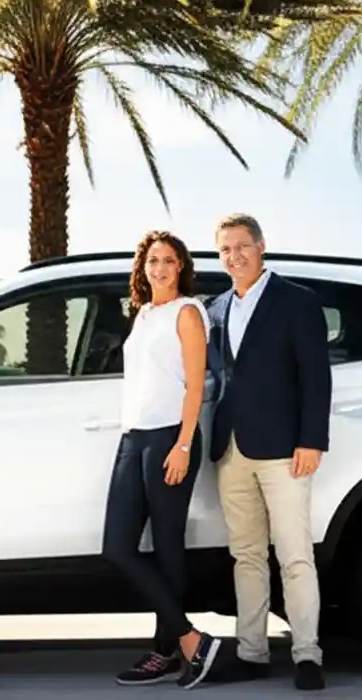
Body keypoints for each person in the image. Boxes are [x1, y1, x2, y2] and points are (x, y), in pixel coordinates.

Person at [204, 213, 332, 691]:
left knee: (296, 555)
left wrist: (311, 439)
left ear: (261, 246)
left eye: (241, 246)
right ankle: (252, 652)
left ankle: (307, 655)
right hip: (231, 449)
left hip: (284, 449)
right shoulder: (215, 309)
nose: (234, 256)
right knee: (247, 556)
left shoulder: (297, 302)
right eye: (225, 250)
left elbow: (316, 377)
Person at [102, 230, 222, 690]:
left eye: (169, 261)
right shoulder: (145, 314)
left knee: (168, 546)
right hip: (134, 438)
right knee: (118, 547)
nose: (160, 268)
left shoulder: (187, 313)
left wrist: (184, 444)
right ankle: (191, 640)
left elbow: (195, 385)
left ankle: (165, 653)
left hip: (171, 437)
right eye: (153, 260)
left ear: (181, 267)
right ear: (143, 267)